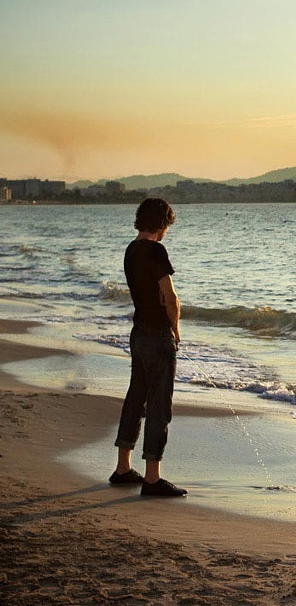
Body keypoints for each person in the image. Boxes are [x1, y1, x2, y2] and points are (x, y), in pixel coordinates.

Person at [109, 196, 187, 497]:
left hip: (138, 332)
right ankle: (152, 477)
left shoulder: (131, 249)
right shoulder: (156, 249)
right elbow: (170, 297)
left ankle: (123, 467)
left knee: (135, 399)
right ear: (161, 224)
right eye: (167, 225)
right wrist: (176, 330)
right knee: (158, 406)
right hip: (157, 336)